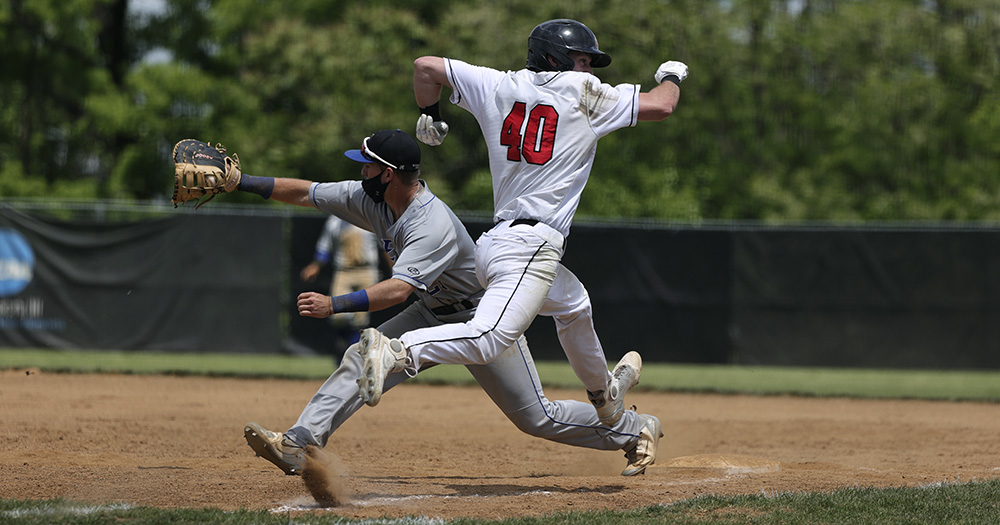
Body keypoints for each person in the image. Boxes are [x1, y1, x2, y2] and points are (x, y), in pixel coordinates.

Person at [238, 129, 662, 477]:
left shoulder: (430, 223)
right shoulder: (373, 199)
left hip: (481, 313)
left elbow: (398, 290)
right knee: (360, 356)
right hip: (430, 309)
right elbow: (307, 193)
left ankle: (633, 429)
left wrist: (334, 305)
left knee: (536, 418)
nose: (360, 170)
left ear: (386, 174)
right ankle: (299, 443)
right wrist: (240, 182)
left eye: (366, 164)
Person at [357, 19, 687, 428]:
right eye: (582, 59)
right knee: (489, 337)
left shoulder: (497, 84)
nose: (588, 69)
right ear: (556, 57)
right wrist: (672, 73)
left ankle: (605, 398)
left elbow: (425, 67)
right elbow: (663, 104)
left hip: (496, 244)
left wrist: (430, 114)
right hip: (531, 246)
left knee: (575, 307)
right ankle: (397, 350)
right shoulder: (585, 93)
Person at [299, 215, 380, 348]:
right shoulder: (334, 222)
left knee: (361, 319)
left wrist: (393, 267)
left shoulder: (369, 217)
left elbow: (383, 246)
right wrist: (315, 265)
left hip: (367, 270)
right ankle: (343, 346)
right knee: (338, 317)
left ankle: (354, 354)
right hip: (344, 271)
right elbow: (325, 247)